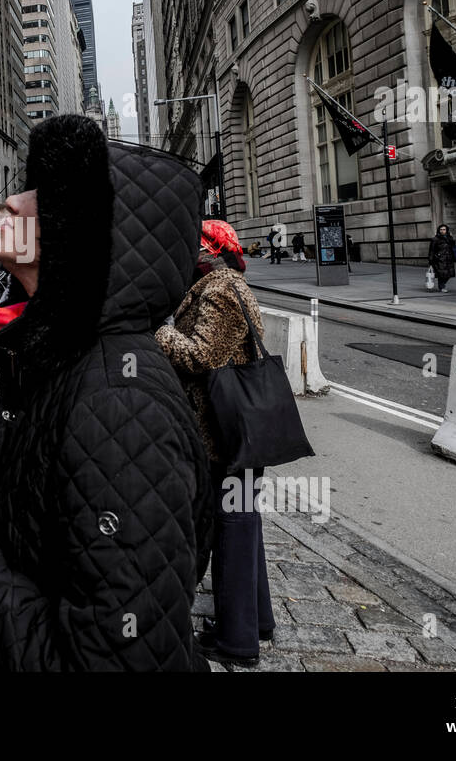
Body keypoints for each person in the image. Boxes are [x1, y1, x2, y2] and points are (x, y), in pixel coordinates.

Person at [0, 114, 213, 671]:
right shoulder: (66, 363)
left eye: (41, 194)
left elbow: (110, 662)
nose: (9, 202)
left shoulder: (121, 404)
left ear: (84, 236)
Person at [155, 220, 273, 668]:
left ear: (207, 251)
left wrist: (160, 332)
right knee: (244, 527)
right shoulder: (224, 283)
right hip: (231, 431)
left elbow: (202, 356)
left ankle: (237, 642)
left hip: (222, 434)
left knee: (229, 530)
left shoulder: (221, 289)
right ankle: (255, 621)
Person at [428, 224, 456, 292]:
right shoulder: (435, 239)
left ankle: (442, 285)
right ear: (439, 230)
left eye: (444, 229)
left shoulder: (450, 238)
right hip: (439, 259)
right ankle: (442, 287)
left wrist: (455, 257)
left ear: (446, 230)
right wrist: (431, 260)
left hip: (449, 258)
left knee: (449, 274)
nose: (442, 231)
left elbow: (453, 248)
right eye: (441, 229)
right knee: (441, 274)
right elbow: (431, 250)